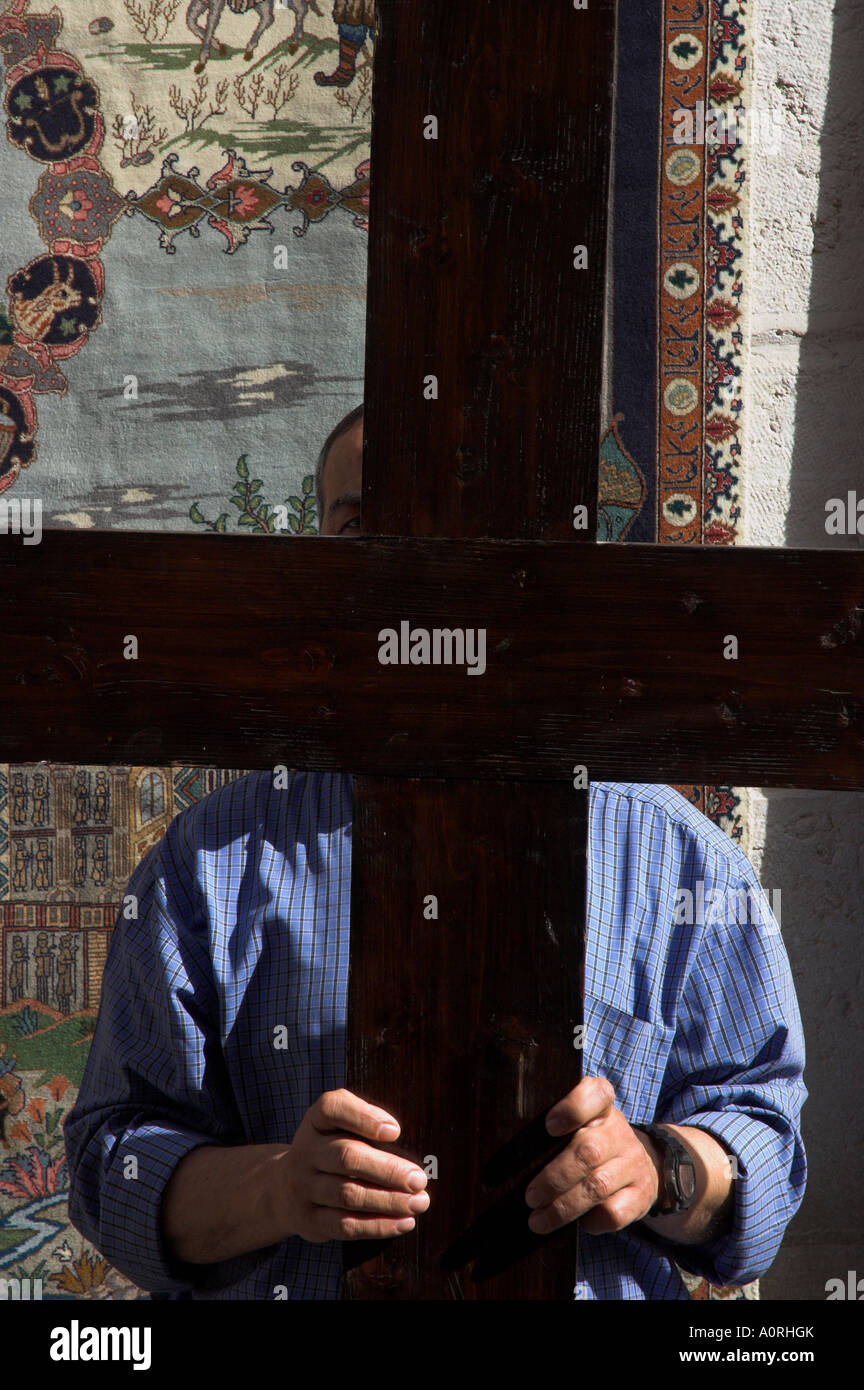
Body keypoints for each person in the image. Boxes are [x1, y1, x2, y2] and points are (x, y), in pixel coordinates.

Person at [64, 406, 807, 1300]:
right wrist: (274, 1189)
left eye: (443, 524)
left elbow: (763, 1140)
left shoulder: (680, 861)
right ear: (321, 558)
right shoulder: (209, 862)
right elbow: (114, 1168)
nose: (405, 563)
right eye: (361, 524)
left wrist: (659, 1168)